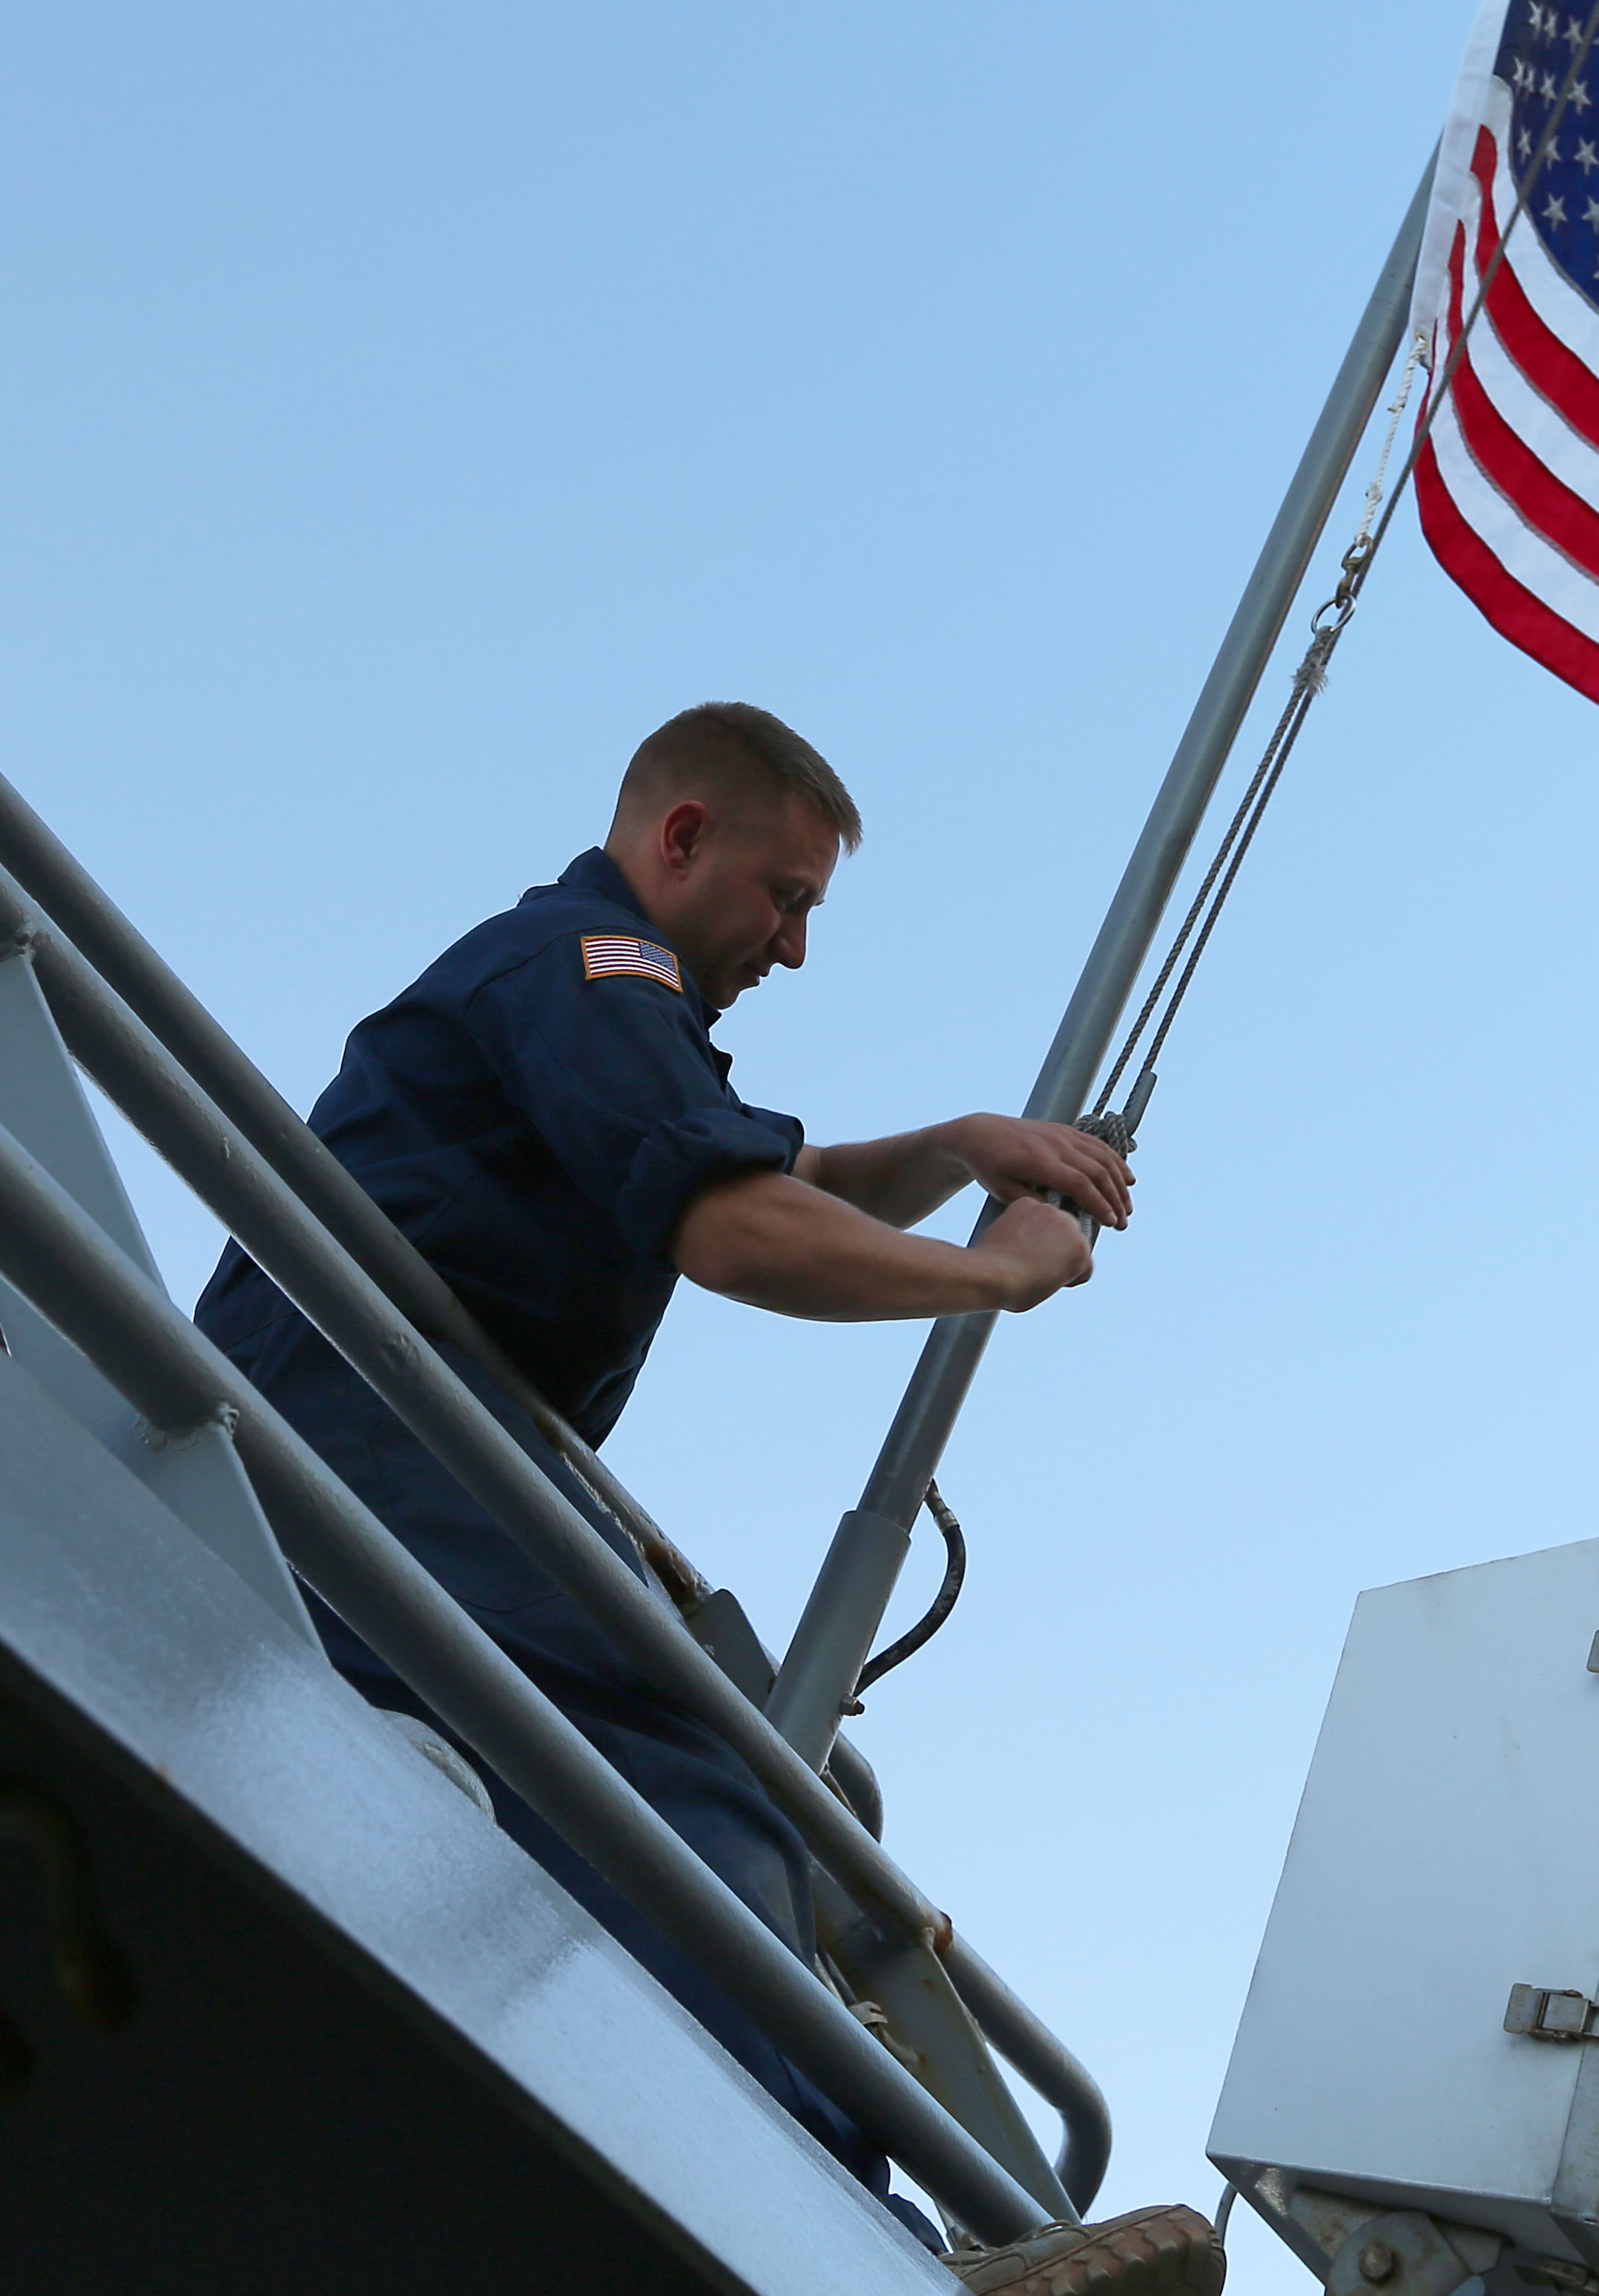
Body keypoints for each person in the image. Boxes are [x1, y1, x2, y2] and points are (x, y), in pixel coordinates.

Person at [194, 703, 1213, 2291]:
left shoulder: (586, 987)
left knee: (693, 1762)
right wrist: (986, 1279)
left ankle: (807, 2208)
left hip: (400, 1431)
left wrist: (955, 1147)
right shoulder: (592, 966)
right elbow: (732, 1229)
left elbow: (776, 1173)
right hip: (365, 1422)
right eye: (785, 897)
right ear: (681, 840)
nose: (795, 948)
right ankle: (837, 2249)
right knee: (696, 1767)